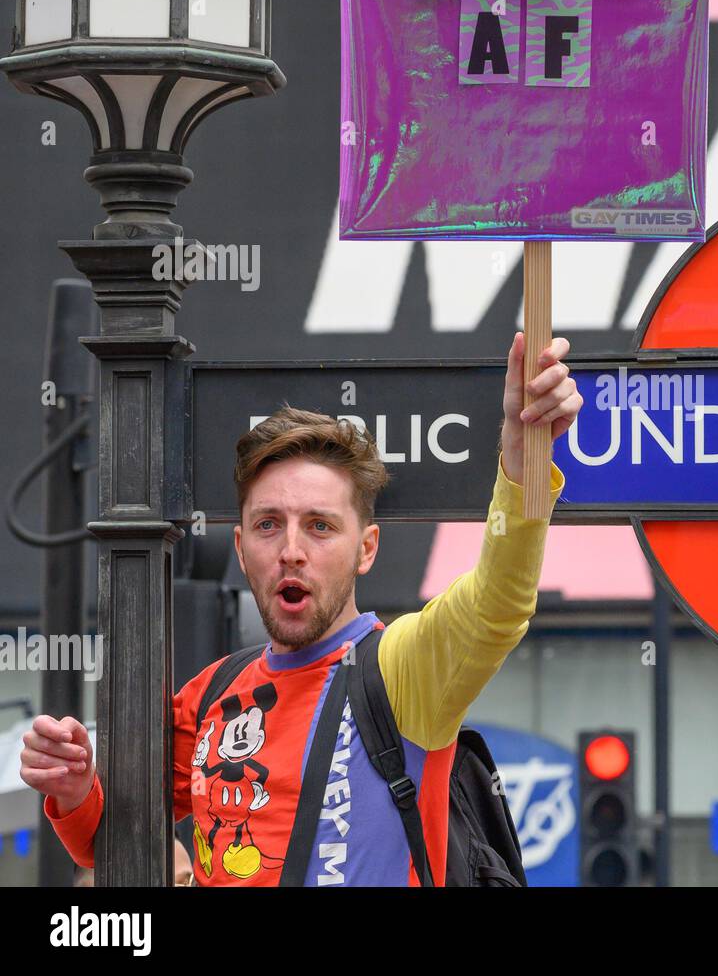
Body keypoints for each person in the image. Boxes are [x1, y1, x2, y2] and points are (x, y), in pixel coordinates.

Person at [20, 332, 582, 886]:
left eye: (320, 526)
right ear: (241, 549)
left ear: (366, 549)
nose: (291, 550)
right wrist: (75, 786)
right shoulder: (215, 692)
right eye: (269, 525)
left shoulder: (403, 668)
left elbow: (497, 604)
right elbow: (115, 842)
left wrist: (523, 454)